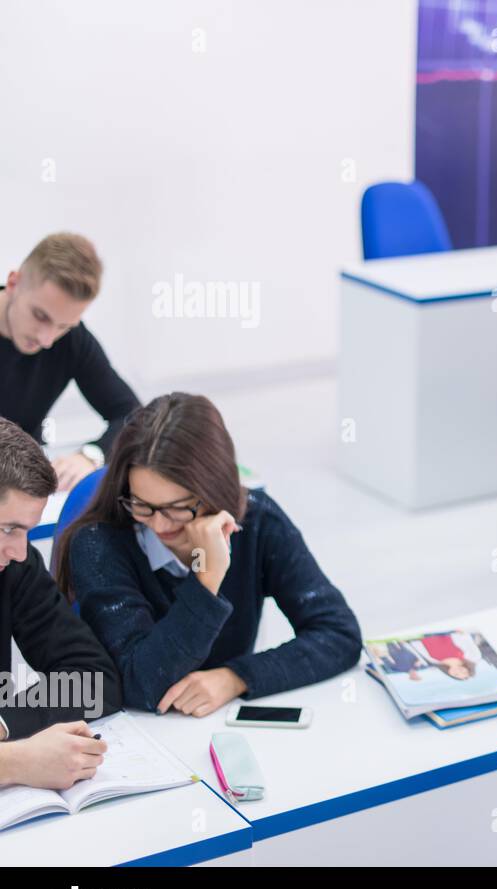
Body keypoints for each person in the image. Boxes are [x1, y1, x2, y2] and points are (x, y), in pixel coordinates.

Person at [54, 393, 362, 716]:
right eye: (142, 505)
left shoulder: (256, 521)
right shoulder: (99, 543)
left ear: (214, 488)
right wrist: (206, 579)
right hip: (136, 735)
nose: (159, 524)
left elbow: (339, 633)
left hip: (218, 724)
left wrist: (235, 678)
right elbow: (141, 684)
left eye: (177, 508)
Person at [0, 417, 122, 790]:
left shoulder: (13, 566)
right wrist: (16, 763)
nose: (21, 550)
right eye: (8, 529)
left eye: (27, 530)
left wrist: (6, 723)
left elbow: (96, 681)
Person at [0, 233, 141, 492]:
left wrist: (91, 455)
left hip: (18, 492)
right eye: (40, 315)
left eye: (64, 325)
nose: (47, 339)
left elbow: (133, 415)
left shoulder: (72, 341)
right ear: (13, 282)